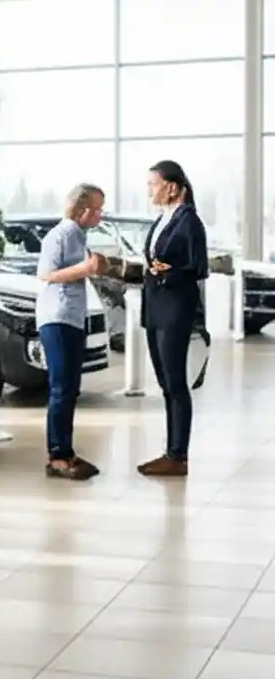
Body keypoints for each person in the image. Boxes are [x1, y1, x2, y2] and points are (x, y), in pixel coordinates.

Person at [138, 160, 208, 477]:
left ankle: (178, 455)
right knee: (166, 384)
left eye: (153, 184)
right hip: (155, 308)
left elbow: (198, 268)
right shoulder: (163, 219)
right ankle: (171, 452)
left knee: (176, 384)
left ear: (172, 187)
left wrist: (170, 272)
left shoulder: (189, 221)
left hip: (175, 308)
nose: (149, 190)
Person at [35, 183, 108, 480]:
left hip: (72, 318)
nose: (101, 215)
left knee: (70, 389)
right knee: (61, 389)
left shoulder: (79, 237)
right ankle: (57, 456)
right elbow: (46, 274)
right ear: (82, 210)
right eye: (98, 209)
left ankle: (66, 450)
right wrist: (86, 269)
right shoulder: (61, 234)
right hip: (58, 317)